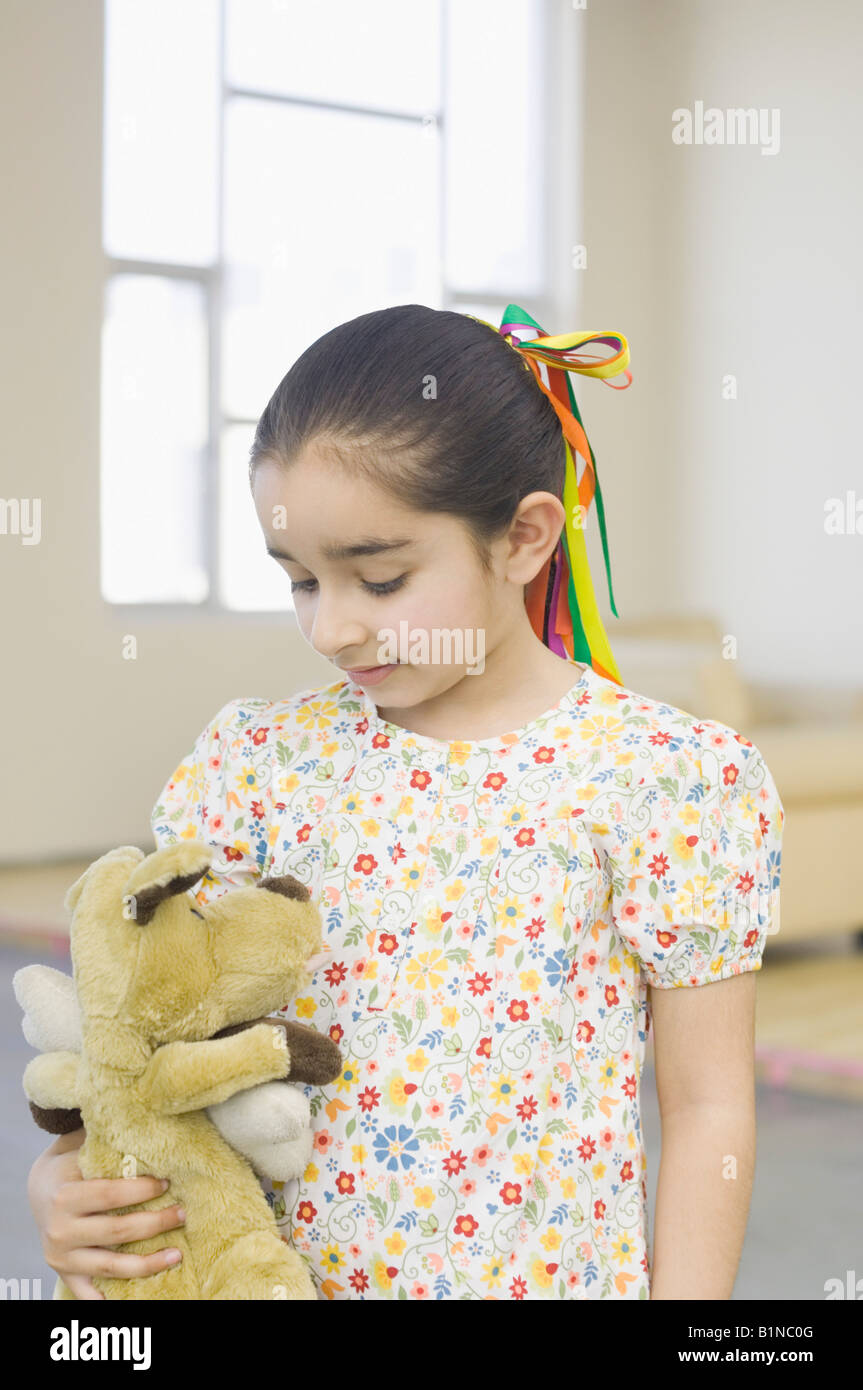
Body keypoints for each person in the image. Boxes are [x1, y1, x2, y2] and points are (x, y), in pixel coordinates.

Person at [27, 303, 783, 1300]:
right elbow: (145, 1036)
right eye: (299, 579)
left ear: (520, 538)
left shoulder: (665, 781)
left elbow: (706, 1113)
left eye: (378, 579)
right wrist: (61, 1180)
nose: (332, 627)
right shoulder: (255, 763)